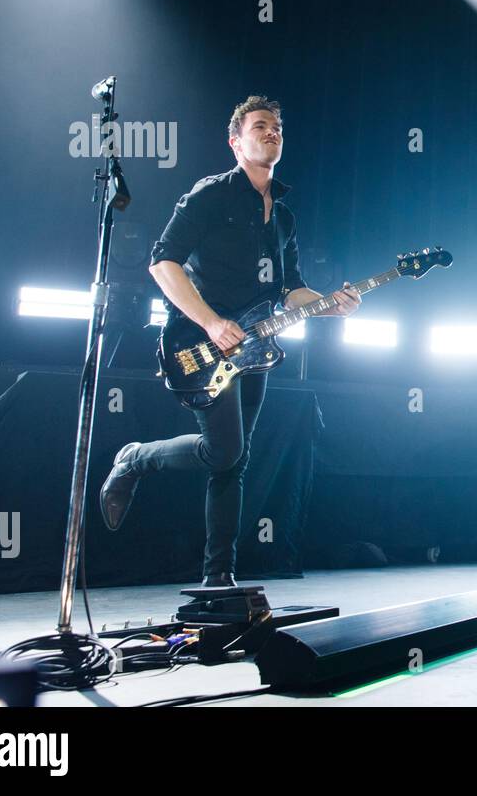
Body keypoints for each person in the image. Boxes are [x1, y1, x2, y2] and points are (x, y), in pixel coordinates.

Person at [99, 95, 361, 588]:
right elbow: (161, 262)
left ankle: (219, 578)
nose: (272, 133)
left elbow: (289, 290)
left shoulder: (283, 217)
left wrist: (330, 303)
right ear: (235, 142)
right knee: (223, 453)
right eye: (260, 126)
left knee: (233, 461)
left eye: (278, 127)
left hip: (256, 348)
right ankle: (134, 457)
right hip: (199, 343)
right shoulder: (210, 195)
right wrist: (211, 322)